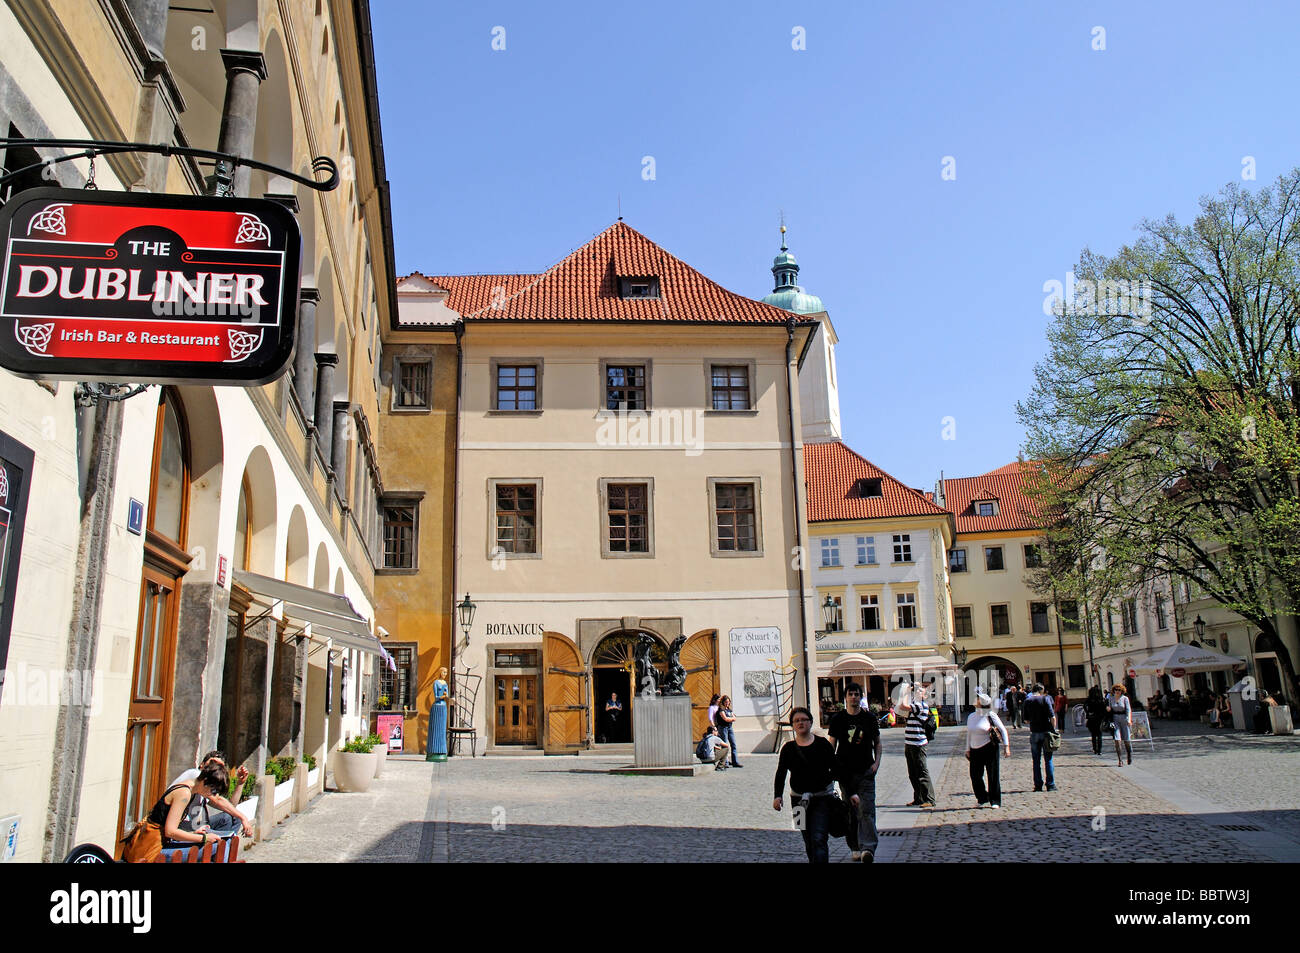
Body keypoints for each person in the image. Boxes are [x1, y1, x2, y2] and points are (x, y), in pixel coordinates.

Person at [123, 760, 230, 862]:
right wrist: (204, 837)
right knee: (218, 846)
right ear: (205, 781)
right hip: (153, 849)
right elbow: (170, 832)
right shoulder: (184, 793)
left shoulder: (188, 789)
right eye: (214, 790)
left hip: (162, 843)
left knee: (222, 843)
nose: (213, 795)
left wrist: (193, 833)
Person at [773, 706, 841, 863]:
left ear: (810, 722)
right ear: (792, 725)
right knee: (808, 840)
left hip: (821, 798)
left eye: (804, 719)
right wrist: (777, 796)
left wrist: (827, 782)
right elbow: (781, 773)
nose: (800, 723)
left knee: (819, 837)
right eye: (796, 721)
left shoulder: (823, 744)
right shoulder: (788, 749)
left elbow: (837, 768)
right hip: (797, 801)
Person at [828, 681, 882, 862]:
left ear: (861, 697)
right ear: (845, 698)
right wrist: (832, 767)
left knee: (866, 810)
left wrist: (877, 763)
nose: (854, 697)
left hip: (866, 770)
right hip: (845, 773)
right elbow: (831, 745)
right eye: (850, 694)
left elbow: (878, 742)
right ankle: (854, 846)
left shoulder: (869, 718)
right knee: (850, 812)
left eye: (857, 694)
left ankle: (868, 848)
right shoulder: (838, 719)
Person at [170, 750, 252, 840]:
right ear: (202, 765)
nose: (214, 767)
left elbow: (230, 807)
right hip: (180, 826)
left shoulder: (206, 788)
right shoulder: (194, 774)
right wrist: (243, 818)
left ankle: (223, 848)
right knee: (226, 830)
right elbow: (218, 800)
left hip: (196, 825)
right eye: (212, 763)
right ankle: (221, 848)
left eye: (219, 767)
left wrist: (240, 783)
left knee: (232, 818)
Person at [965, 690, 1010, 808]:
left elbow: (1003, 730)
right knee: (975, 776)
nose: (975, 699)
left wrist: (1006, 746)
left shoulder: (990, 715)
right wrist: (967, 749)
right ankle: (982, 798)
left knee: (992, 775)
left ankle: (995, 800)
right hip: (974, 749)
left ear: (982, 702)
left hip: (989, 747)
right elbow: (969, 734)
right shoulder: (971, 716)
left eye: (977, 698)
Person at [900, 682, 936, 807]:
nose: (917, 692)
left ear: (925, 696)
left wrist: (906, 691)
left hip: (918, 744)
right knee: (913, 773)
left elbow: (904, 705)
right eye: (917, 690)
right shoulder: (915, 705)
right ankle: (919, 798)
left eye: (920, 691)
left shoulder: (921, 706)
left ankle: (929, 799)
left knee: (922, 771)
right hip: (909, 742)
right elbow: (900, 708)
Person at [1024, 683, 1057, 791]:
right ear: (1041, 690)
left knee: (1036, 761)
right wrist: (1053, 729)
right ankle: (1050, 785)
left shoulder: (1027, 701)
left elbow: (1026, 720)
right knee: (1048, 760)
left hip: (1034, 732)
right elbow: (1052, 717)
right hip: (1046, 732)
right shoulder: (1045, 699)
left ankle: (1038, 785)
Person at [427, 666, 452, 762]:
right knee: (435, 728)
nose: (445, 674)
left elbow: (448, 695)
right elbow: (436, 696)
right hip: (437, 706)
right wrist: (442, 696)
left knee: (442, 729)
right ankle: (433, 751)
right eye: (444, 672)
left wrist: (446, 695)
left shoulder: (445, 683)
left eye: (446, 672)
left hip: (443, 707)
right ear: (440, 672)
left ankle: (441, 750)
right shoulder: (436, 683)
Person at [1107, 683, 1133, 765]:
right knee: (1117, 740)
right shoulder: (1111, 698)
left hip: (1124, 719)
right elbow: (1110, 708)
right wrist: (1108, 709)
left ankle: (1129, 755)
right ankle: (1120, 760)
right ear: (1113, 691)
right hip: (1115, 719)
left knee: (1126, 740)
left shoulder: (1125, 698)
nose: (1117, 691)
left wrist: (1129, 720)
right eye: (1116, 690)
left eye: (1119, 690)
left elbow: (1128, 710)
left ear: (1122, 691)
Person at [714, 694, 742, 767]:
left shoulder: (729, 710)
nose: (727, 703)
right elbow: (725, 719)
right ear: (723, 702)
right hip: (723, 728)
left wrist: (731, 718)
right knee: (725, 745)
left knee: (733, 744)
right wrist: (731, 719)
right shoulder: (721, 710)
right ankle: (725, 762)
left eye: (728, 702)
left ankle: (735, 762)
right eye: (726, 702)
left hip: (730, 728)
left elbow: (734, 717)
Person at [1084, 686, 1108, 755]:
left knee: (1093, 735)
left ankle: (1095, 749)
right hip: (1099, 718)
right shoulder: (1101, 700)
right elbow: (1104, 709)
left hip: (1092, 717)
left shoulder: (1089, 699)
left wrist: (1088, 712)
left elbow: (1084, 706)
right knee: (1099, 734)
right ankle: (1099, 750)